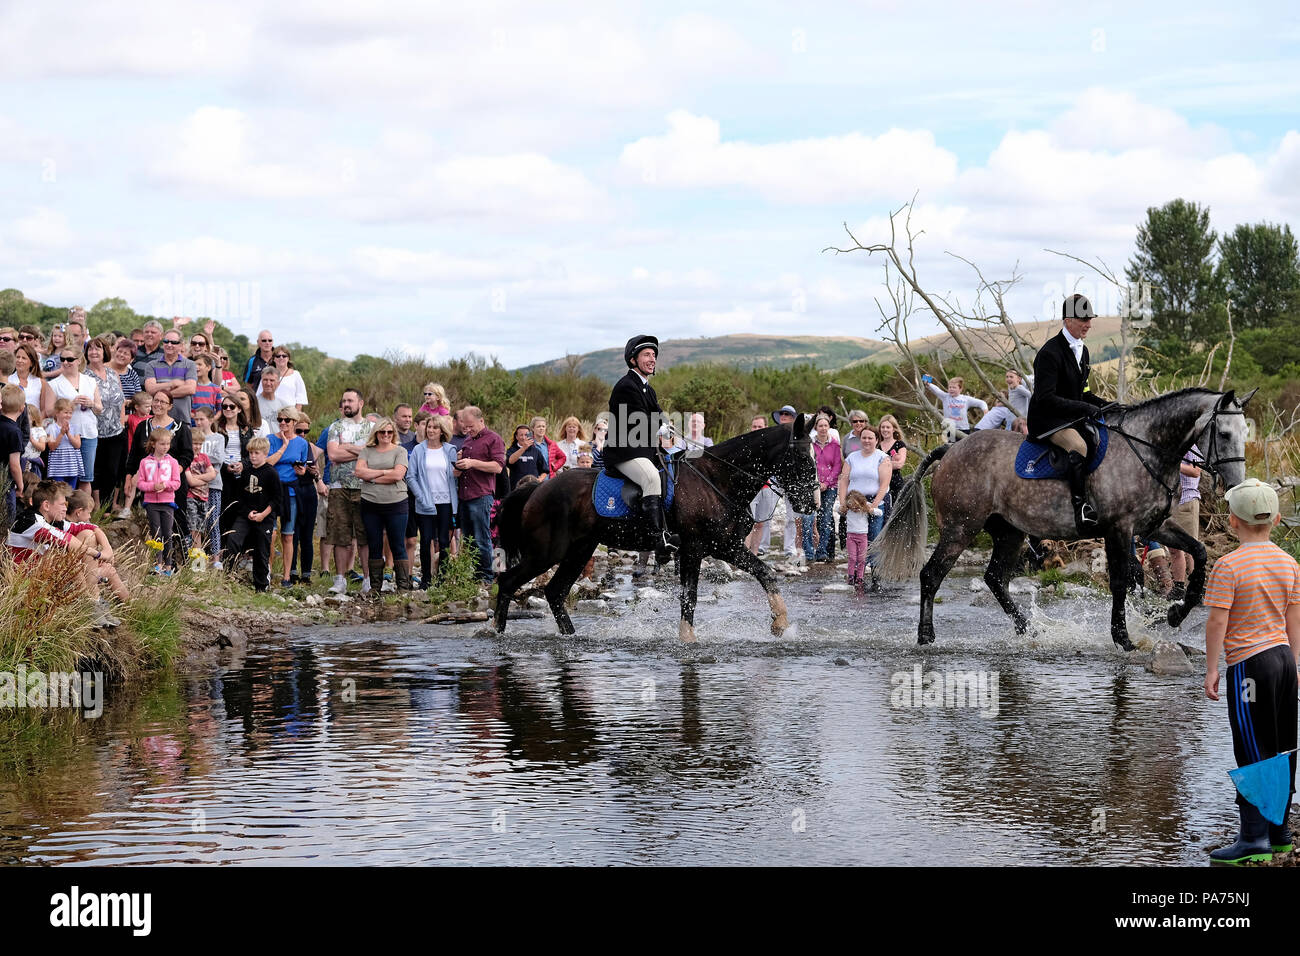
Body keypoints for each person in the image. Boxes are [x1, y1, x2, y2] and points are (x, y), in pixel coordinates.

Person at [1203, 478, 1299, 864]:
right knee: (1282, 745)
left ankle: (1253, 838)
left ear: (1232, 522)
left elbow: (1215, 623)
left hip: (1249, 668)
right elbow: (1294, 619)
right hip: (1284, 661)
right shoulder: (1289, 562)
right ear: (1276, 519)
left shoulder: (1228, 566)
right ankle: (1281, 832)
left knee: (1252, 748)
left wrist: (1212, 669)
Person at [1026, 294, 1110, 534]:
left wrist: (1108, 405)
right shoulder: (1049, 353)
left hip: (1071, 417)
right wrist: (1085, 408)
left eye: (1089, 319)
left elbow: (1084, 392)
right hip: (1047, 420)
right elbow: (1045, 398)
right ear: (1068, 320)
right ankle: (1080, 507)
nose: (1088, 324)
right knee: (1079, 446)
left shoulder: (1083, 352)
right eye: (1083, 319)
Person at [603, 335, 679, 553]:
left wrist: (669, 427)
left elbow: (658, 415)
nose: (652, 358)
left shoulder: (647, 388)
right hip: (623, 452)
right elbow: (638, 420)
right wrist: (658, 428)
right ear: (633, 360)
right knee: (651, 478)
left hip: (642, 450)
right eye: (647, 354)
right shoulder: (627, 386)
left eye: (654, 355)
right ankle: (656, 538)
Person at [326, 388, 375, 595]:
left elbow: (372, 455)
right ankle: (340, 579)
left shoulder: (372, 427)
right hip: (339, 487)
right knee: (340, 534)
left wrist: (349, 447)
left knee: (365, 535)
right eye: (344, 400)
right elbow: (333, 455)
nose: (346, 404)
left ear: (360, 403)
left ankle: (368, 579)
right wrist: (359, 450)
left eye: (350, 401)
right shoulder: (335, 427)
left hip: (365, 487)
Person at [354, 417, 411, 592]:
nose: (386, 435)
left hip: (396, 503)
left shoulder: (400, 451)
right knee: (374, 544)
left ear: (393, 433)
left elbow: (397, 475)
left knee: (397, 544)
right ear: (376, 433)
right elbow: (359, 471)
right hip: (370, 503)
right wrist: (386, 471)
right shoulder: (367, 451)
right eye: (382, 432)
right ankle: (375, 587)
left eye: (389, 432)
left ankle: (402, 586)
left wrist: (372, 477)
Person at [405, 414, 457, 590]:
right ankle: (426, 578)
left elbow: (455, 477)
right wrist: (421, 496)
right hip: (425, 502)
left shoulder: (450, 450)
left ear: (442, 431)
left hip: (446, 502)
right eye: (429, 427)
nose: (431, 430)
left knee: (443, 541)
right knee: (426, 539)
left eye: (435, 427)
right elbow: (411, 477)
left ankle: (442, 578)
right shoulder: (419, 450)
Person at [453, 406, 505, 583]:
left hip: (482, 495)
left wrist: (472, 462)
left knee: (483, 537)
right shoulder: (467, 441)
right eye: (465, 427)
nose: (467, 430)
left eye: (471, 426)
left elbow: (498, 467)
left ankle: (488, 576)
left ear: (481, 420)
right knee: (469, 539)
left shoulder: (494, 439)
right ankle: (477, 574)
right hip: (465, 496)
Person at [839, 424, 891, 591]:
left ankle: (876, 575)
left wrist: (872, 506)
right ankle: (855, 575)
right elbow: (844, 480)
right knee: (855, 538)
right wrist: (842, 503)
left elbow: (884, 485)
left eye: (870, 438)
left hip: (875, 503)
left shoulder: (883, 458)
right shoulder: (852, 458)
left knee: (873, 540)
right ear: (860, 439)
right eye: (864, 437)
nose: (867, 441)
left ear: (877, 440)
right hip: (853, 503)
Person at [226, 436, 281, 592]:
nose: (253, 456)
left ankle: (261, 585)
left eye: (256, 453)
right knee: (233, 539)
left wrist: (263, 514)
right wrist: (247, 512)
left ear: (265, 453)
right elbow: (239, 496)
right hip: (246, 515)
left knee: (262, 549)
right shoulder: (246, 471)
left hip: (265, 517)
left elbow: (277, 499)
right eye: (250, 453)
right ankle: (229, 574)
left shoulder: (271, 473)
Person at [266, 407, 311, 587]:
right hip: (272, 490)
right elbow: (266, 463)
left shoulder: (301, 443)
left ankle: (286, 577)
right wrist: (284, 446)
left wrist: (302, 471)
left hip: (291, 491)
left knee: (288, 535)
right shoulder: (271, 439)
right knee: (270, 534)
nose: (283, 423)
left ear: (294, 422)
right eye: (280, 420)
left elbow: (303, 468)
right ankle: (267, 572)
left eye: (286, 420)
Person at [49, 346, 101, 492]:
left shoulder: (90, 381)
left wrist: (91, 404)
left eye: (70, 359)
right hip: (64, 434)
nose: (66, 362)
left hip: (88, 432)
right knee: (64, 477)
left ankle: (85, 512)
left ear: (79, 361)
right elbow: (49, 411)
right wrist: (70, 404)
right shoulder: (54, 384)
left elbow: (100, 408)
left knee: (86, 478)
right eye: (63, 359)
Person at [86, 337, 127, 509]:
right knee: (96, 469)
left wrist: (122, 422)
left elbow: (121, 399)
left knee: (113, 471)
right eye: (90, 349)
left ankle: (109, 504)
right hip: (95, 431)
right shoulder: (85, 376)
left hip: (116, 431)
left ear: (105, 352)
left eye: (98, 349)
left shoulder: (112, 373)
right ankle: (96, 504)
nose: (94, 352)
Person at [137, 427, 183, 574]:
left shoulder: (173, 462)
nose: (165, 447)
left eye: (168, 444)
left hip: (168, 503)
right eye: (162, 444)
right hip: (151, 503)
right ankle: (158, 564)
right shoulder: (145, 462)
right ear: (153, 444)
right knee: (156, 533)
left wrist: (165, 485)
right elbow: (140, 483)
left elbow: (176, 483)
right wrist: (153, 487)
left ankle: (169, 566)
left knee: (168, 533)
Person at [288, 413, 326, 583]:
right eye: (299, 430)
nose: (302, 434)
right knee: (292, 532)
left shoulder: (308, 446)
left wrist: (316, 476)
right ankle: (292, 570)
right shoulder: (287, 444)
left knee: (307, 534)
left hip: (308, 490)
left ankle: (306, 573)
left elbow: (315, 468)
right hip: (293, 488)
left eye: (306, 430)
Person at [192, 406, 226, 568]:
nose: (198, 422)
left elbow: (219, 458)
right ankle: (198, 560)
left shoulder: (218, 438)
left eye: (201, 419)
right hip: (194, 488)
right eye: (196, 419)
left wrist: (199, 457)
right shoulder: (192, 436)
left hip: (213, 485)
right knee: (196, 522)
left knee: (213, 520)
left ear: (211, 420)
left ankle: (216, 558)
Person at [1169, 445, 1204, 602]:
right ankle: (1178, 588)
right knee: (1174, 549)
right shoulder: (1174, 441)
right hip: (1171, 502)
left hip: (1187, 500)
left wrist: (1173, 463)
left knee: (1191, 547)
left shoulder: (1191, 446)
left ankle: (1197, 587)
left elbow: (1196, 471)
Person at [805, 414, 841, 562]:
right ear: (816, 428)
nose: (823, 428)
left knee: (825, 518)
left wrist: (826, 483)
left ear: (829, 427)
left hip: (830, 487)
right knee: (808, 518)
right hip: (812, 486)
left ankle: (821, 551)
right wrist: (816, 483)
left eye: (826, 425)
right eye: (820, 426)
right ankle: (808, 552)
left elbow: (837, 466)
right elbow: (807, 465)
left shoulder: (835, 445)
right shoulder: (810, 445)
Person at [144, 329, 197, 426]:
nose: (169, 344)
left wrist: (162, 397)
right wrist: (172, 384)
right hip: (157, 421)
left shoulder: (190, 365)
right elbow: (150, 389)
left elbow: (190, 389)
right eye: (166, 341)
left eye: (174, 342)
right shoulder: (151, 365)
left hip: (182, 420)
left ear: (181, 345)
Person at [746, 415, 780, 556]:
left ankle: (753, 554)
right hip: (749, 488)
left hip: (767, 487)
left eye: (760, 426)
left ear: (766, 427)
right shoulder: (746, 444)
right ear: (751, 427)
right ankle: (744, 554)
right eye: (754, 426)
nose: (757, 429)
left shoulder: (772, 445)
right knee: (747, 523)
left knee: (760, 523)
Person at [922, 374, 987, 435]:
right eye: (950, 387)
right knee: (951, 446)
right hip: (950, 429)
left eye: (954, 387)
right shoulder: (945, 397)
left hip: (964, 429)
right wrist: (927, 379)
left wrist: (985, 411)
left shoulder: (966, 399)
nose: (951, 389)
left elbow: (981, 403)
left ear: (960, 389)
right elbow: (935, 389)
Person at [45, 399, 84, 488]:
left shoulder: (75, 427)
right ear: (57, 413)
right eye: (66, 412)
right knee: (58, 492)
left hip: (72, 467)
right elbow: (51, 447)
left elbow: (78, 445)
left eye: (70, 413)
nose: (68, 415)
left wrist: (68, 434)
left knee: (70, 492)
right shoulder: (51, 428)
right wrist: (61, 434)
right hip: (57, 468)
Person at [9, 342, 53, 420]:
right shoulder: (8, 380)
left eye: (24, 358)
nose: (19, 360)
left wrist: (37, 424)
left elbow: (43, 410)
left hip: (34, 426)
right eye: (18, 357)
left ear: (31, 363)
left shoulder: (41, 382)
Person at [0, 386, 24, 526]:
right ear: (22, 408)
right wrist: (20, 486)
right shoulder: (14, 432)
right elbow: (14, 465)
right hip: (6, 482)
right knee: (7, 518)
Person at [843, 490, 873, 592]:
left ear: (861, 503)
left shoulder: (865, 508)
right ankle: (851, 576)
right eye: (852, 505)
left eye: (856, 505)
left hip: (863, 536)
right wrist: (843, 507)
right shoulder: (848, 510)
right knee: (852, 557)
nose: (855, 508)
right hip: (851, 536)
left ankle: (860, 577)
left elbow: (879, 512)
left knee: (862, 558)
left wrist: (871, 510)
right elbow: (838, 510)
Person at [506, 424, 549, 490]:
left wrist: (538, 480)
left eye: (526, 435)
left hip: (532, 488)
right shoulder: (511, 450)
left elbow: (545, 470)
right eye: (521, 435)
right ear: (516, 437)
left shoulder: (535, 451)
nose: (523, 437)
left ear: (530, 436)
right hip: (516, 488)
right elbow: (510, 461)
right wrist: (523, 448)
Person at [270, 347, 308, 411]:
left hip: (289, 414)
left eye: (284, 356)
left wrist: (296, 416)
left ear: (288, 358)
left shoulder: (295, 375)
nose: (281, 358)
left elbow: (300, 397)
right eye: (278, 356)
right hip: (271, 413)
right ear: (274, 359)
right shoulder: (267, 375)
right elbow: (260, 396)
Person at [131, 320, 165, 384]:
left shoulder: (165, 355)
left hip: (155, 392)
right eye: (146, 332)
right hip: (134, 392)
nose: (149, 334)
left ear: (161, 336)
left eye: (153, 332)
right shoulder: (133, 351)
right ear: (143, 334)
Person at [191, 352, 223, 423]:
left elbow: (219, 410)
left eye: (199, 364)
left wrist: (212, 419)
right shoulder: (191, 387)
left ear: (208, 367)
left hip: (209, 426)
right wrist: (197, 418)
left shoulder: (216, 388)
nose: (196, 367)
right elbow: (186, 408)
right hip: (193, 426)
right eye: (194, 365)